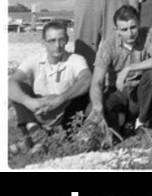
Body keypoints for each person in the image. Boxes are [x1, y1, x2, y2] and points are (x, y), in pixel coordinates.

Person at [9, 20, 92, 148]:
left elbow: (86, 78)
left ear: (67, 39)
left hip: (65, 111)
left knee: (83, 93)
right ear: (43, 42)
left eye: (62, 40)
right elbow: (10, 84)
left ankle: (38, 140)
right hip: (39, 111)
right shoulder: (34, 60)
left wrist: (60, 99)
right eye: (52, 41)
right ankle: (34, 129)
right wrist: (29, 102)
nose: (58, 45)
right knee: (18, 87)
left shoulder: (75, 59)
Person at [88, 6, 152, 135]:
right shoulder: (108, 45)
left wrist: (129, 68)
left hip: (142, 90)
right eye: (124, 29)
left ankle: (143, 121)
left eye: (133, 27)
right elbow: (97, 81)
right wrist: (98, 106)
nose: (130, 33)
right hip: (118, 91)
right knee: (96, 109)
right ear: (117, 30)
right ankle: (119, 127)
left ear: (139, 23)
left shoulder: (150, 33)